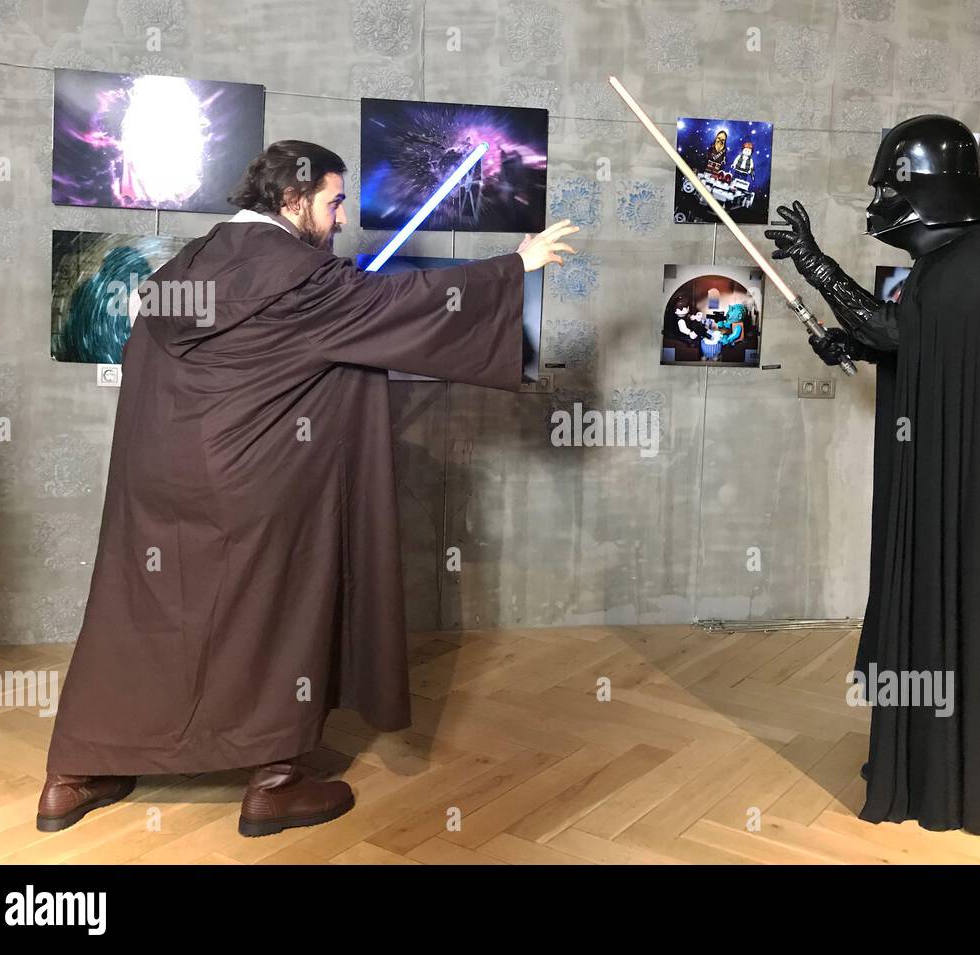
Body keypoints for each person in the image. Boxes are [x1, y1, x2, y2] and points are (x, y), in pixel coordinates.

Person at [38, 140, 578, 837]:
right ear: (292, 199)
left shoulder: (192, 261)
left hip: (161, 480)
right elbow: (397, 305)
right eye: (333, 199)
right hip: (261, 482)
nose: (342, 213)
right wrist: (515, 268)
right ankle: (273, 782)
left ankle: (74, 773)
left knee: (142, 616)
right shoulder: (298, 276)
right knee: (281, 611)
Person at [765, 115, 980, 835]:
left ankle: (948, 770)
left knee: (956, 605)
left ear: (931, 185)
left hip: (966, 495)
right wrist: (847, 335)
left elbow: (905, 334)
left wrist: (819, 269)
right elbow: (922, 350)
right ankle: (925, 752)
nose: (881, 198)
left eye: (892, 183)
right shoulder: (966, 262)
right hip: (954, 477)